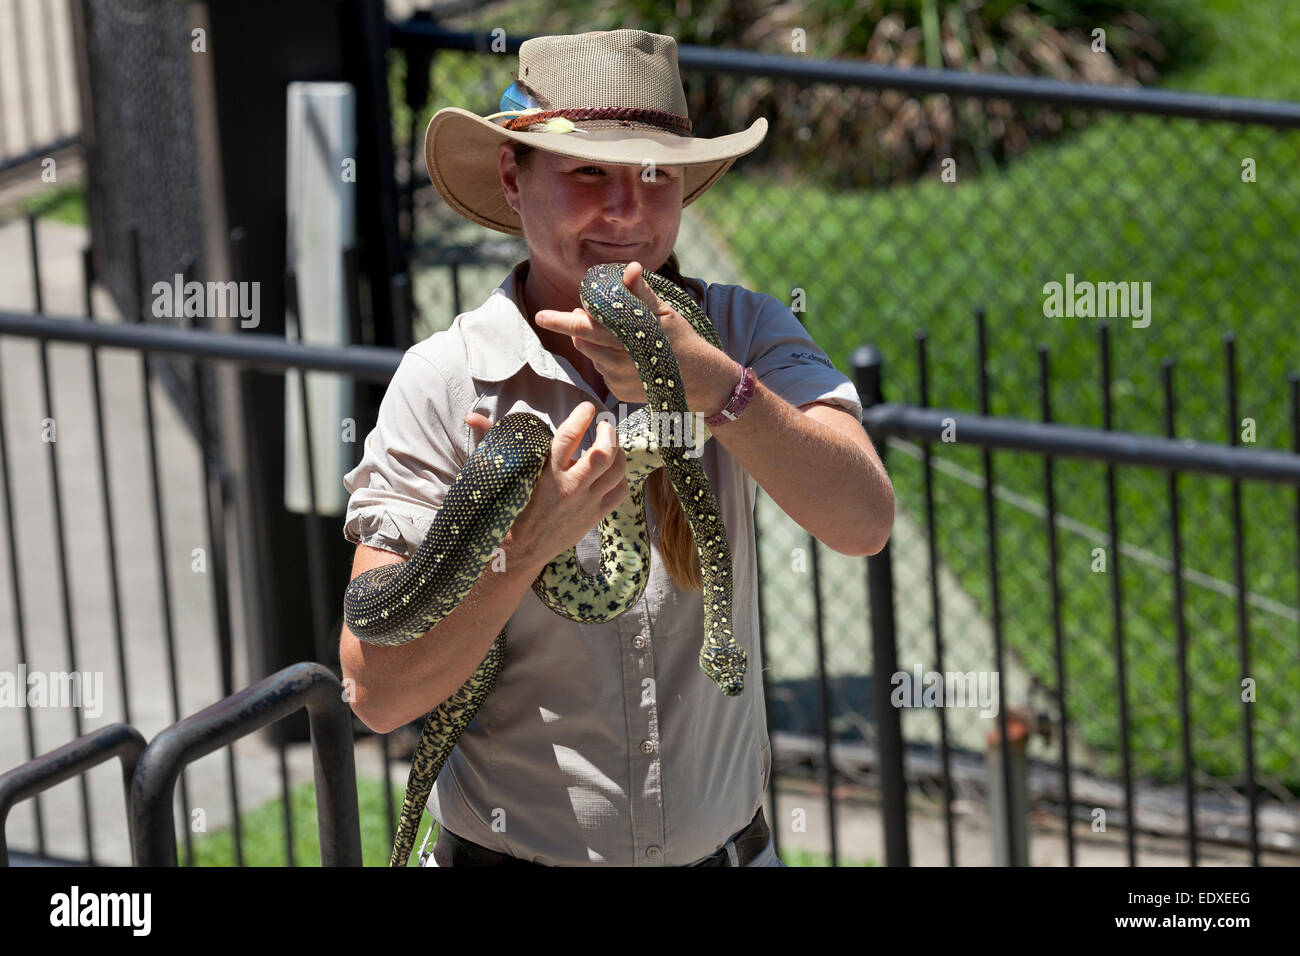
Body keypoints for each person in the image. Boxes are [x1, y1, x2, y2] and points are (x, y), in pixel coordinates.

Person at [339, 28, 893, 867]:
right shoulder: (445, 383)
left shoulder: (742, 332)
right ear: (513, 177)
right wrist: (522, 548)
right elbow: (374, 690)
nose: (627, 211)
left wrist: (716, 388)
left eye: (655, 175)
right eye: (589, 173)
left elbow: (863, 521)